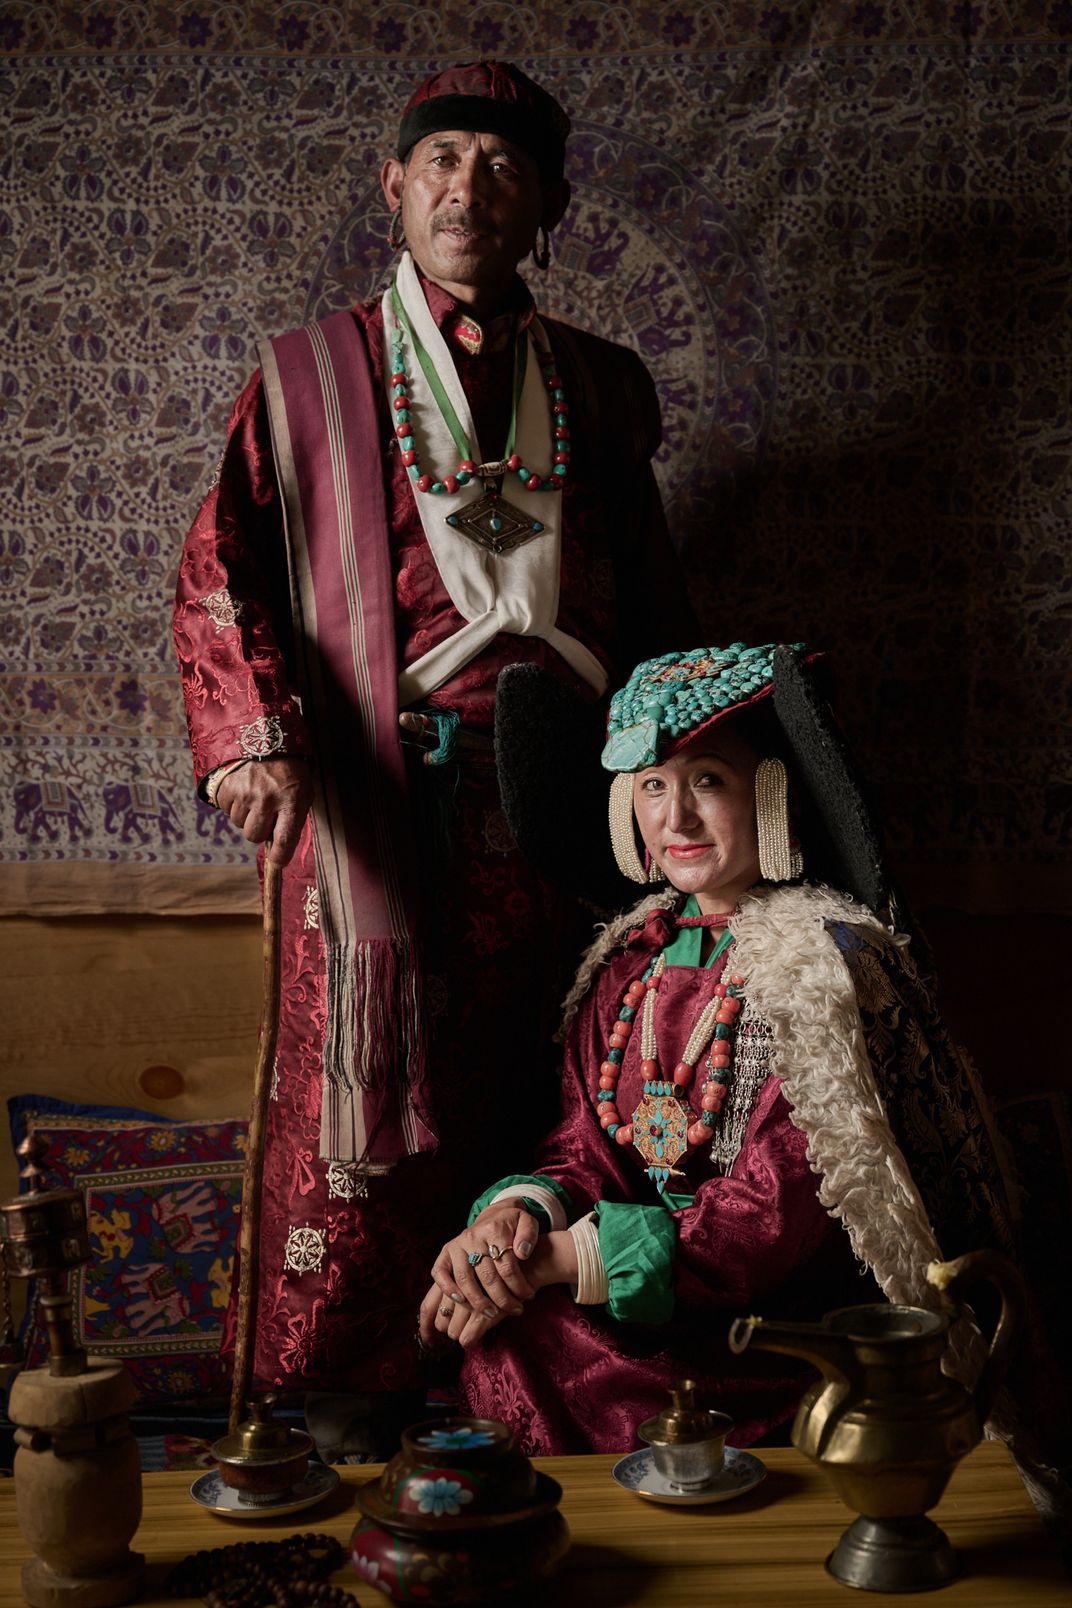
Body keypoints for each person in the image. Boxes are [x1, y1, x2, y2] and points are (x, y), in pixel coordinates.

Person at [172, 60, 690, 1456]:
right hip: (375, 793)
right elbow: (223, 576)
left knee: (557, 1085)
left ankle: (527, 1381)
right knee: (369, 1106)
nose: (472, 188)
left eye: (505, 167)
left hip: (565, 798)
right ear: (395, 188)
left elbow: (650, 597)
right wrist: (255, 744)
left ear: (548, 206)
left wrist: (660, 773)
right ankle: (343, 1393)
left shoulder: (601, 386)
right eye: (444, 160)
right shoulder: (302, 380)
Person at [419, 641, 1042, 1459]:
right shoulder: (626, 962)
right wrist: (516, 1225)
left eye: (707, 781)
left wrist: (564, 1259)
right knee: (510, 1331)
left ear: (773, 792)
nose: (675, 820)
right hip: (640, 1297)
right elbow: (583, 1147)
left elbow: (788, 1204)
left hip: (783, 1321)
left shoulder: (827, 964)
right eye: (652, 787)